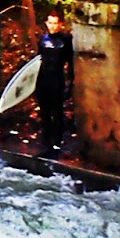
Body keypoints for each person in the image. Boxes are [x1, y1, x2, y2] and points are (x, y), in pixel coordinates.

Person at [36, 11, 74, 154]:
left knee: (57, 112)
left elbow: (70, 64)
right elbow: (36, 62)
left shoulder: (66, 40)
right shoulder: (43, 39)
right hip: (43, 80)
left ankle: (57, 142)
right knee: (45, 113)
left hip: (57, 79)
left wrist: (70, 84)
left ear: (60, 24)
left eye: (55, 23)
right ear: (46, 24)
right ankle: (46, 142)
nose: (52, 26)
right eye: (50, 23)